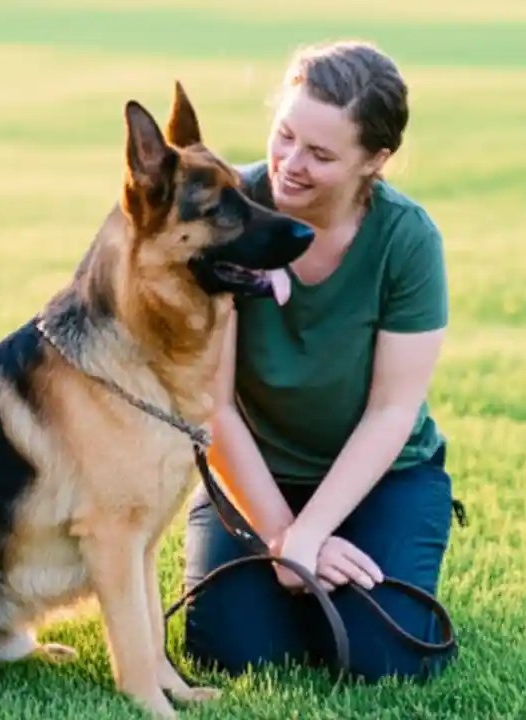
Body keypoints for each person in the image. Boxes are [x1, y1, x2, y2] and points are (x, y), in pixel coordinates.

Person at [181, 40, 460, 683]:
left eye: (322, 154)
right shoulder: (228, 213)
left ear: (375, 160)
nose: (290, 165)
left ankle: (353, 569)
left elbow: (392, 411)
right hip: (256, 475)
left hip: (379, 476)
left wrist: (310, 539)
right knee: (231, 652)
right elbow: (213, 404)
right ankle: (308, 581)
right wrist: (286, 538)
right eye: (285, 136)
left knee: (384, 661)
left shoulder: (408, 241)